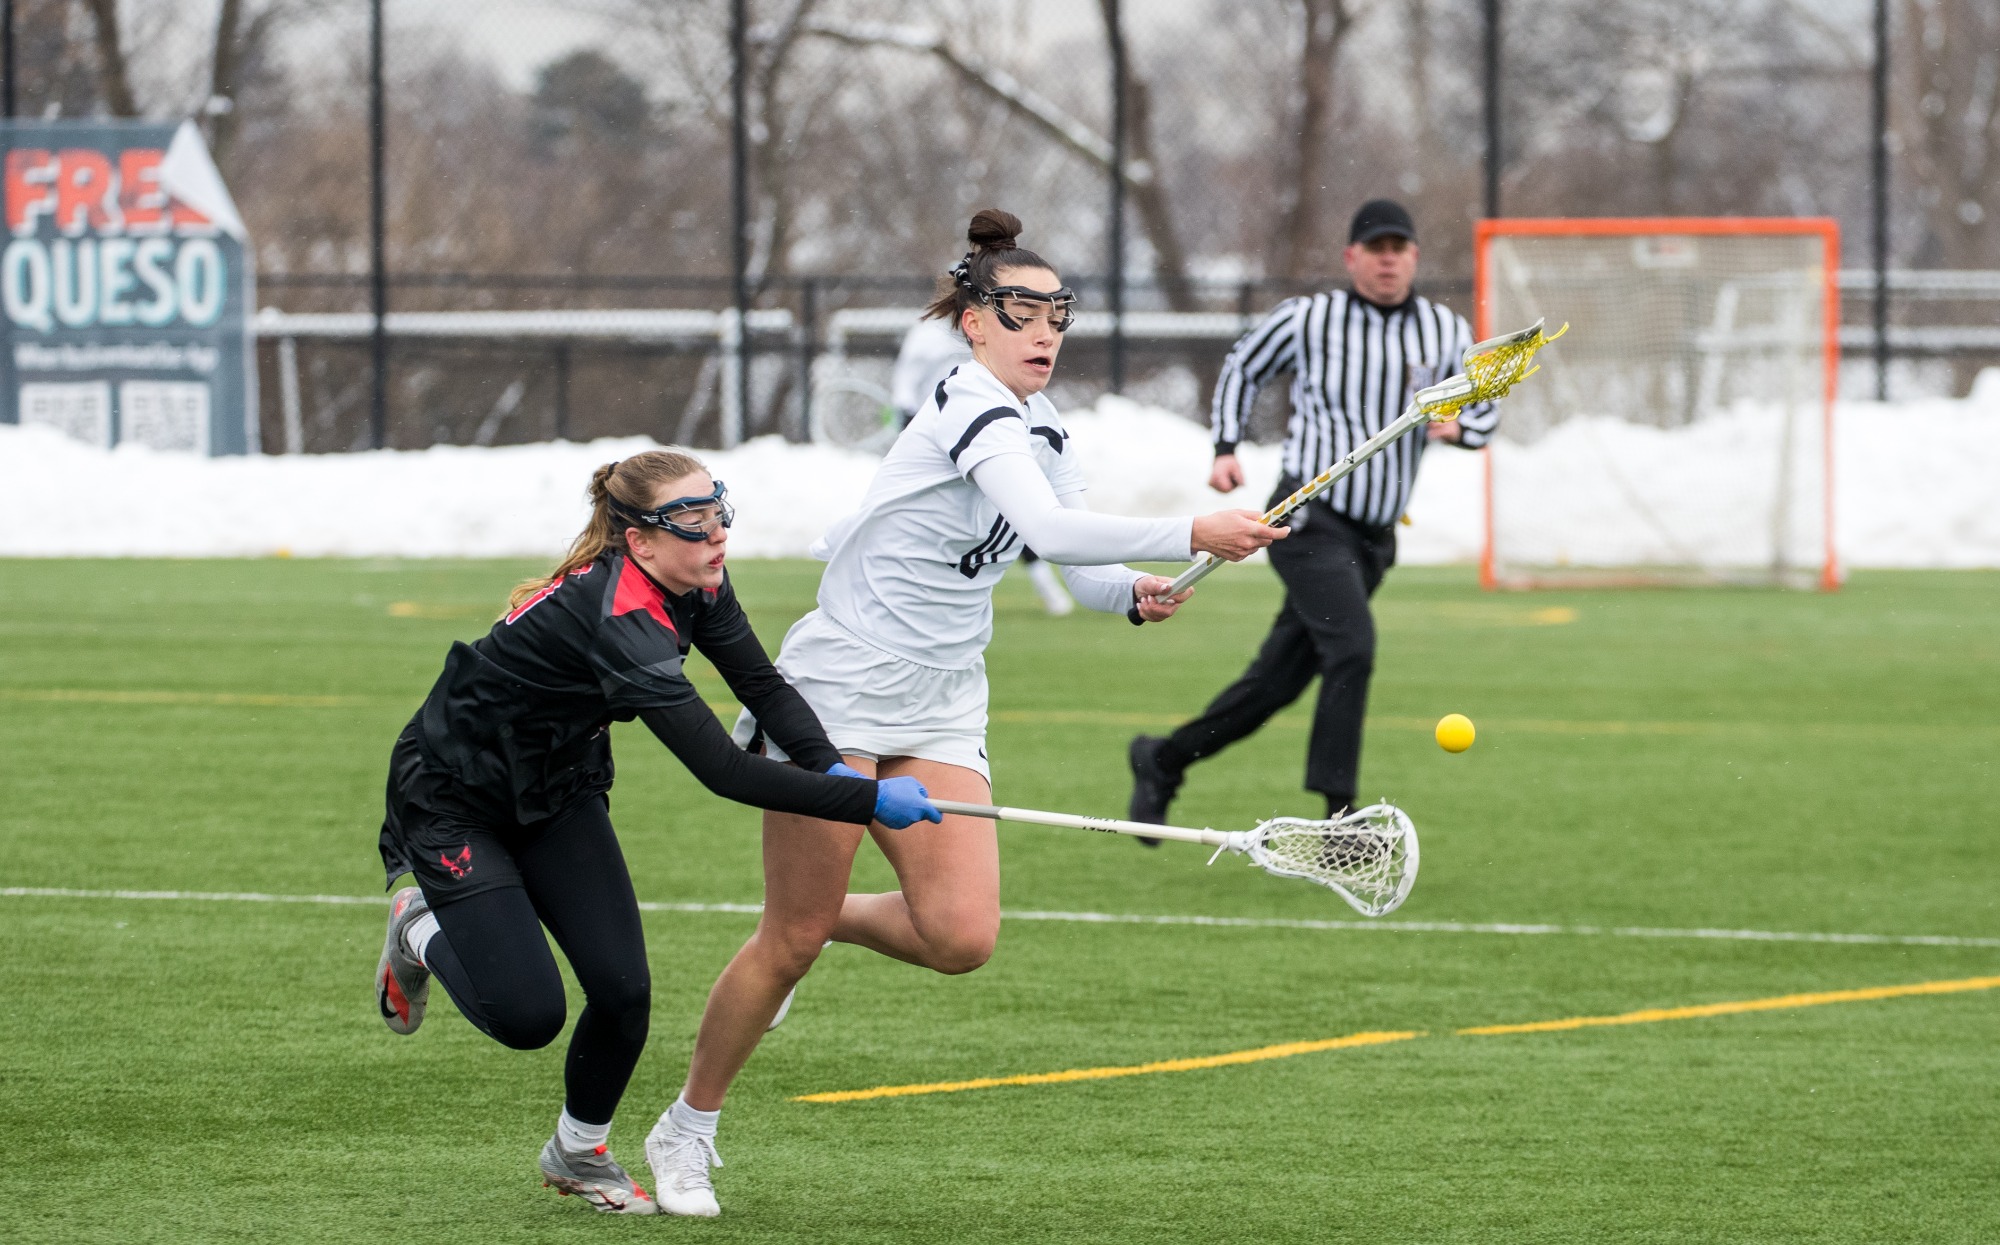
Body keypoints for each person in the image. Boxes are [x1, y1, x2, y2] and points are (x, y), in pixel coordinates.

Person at [641, 209, 1285, 1216]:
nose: (1042, 334)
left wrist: (1131, 590)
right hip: (840, 698)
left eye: (1056, 315)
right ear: (970, 322)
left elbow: (1069, 562)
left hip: (941, 705)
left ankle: (822, 924)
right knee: (785, 941)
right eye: (1019, 312)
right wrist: (1191, 522)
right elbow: (1047, 525)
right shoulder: (968, 412)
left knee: (959, 937)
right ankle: (687, 1128)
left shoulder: (1042, 423)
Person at [370, 450, 941, 1215]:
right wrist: (865, 799)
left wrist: (827, 764)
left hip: (560, 788)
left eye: (720, 515)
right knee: (529, 1016)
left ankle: (577, 1150)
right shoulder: (622, 618)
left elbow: (761, 684)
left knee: (623, 990)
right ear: (640, 540)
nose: (717, 538)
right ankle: (419, 928)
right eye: (694, 524)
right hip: (453, 797)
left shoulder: (695, 579)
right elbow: (722, 771)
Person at [1128, 199, 1499, 834]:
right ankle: (1341, 820)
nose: (1387, 259)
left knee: (1276, 683)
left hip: (1375, 538)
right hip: (1308, 518)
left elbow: (1486, 408)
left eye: (1398, 248)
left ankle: (1162, 759)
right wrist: (1224, 447)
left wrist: (1461, 424)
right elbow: (1243, 366)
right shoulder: (1311, 318)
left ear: (1413, 256)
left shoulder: (1445, 331)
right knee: (1352, 649)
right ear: (1352, 257)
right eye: (1374, 248)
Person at [893, 314, 1077, 616]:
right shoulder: (926, 334)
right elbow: (906, 379)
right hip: (939, 442)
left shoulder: (999, 335)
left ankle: (1045, 585)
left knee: (1011, 512)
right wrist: (905, 414)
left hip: (986, 436)